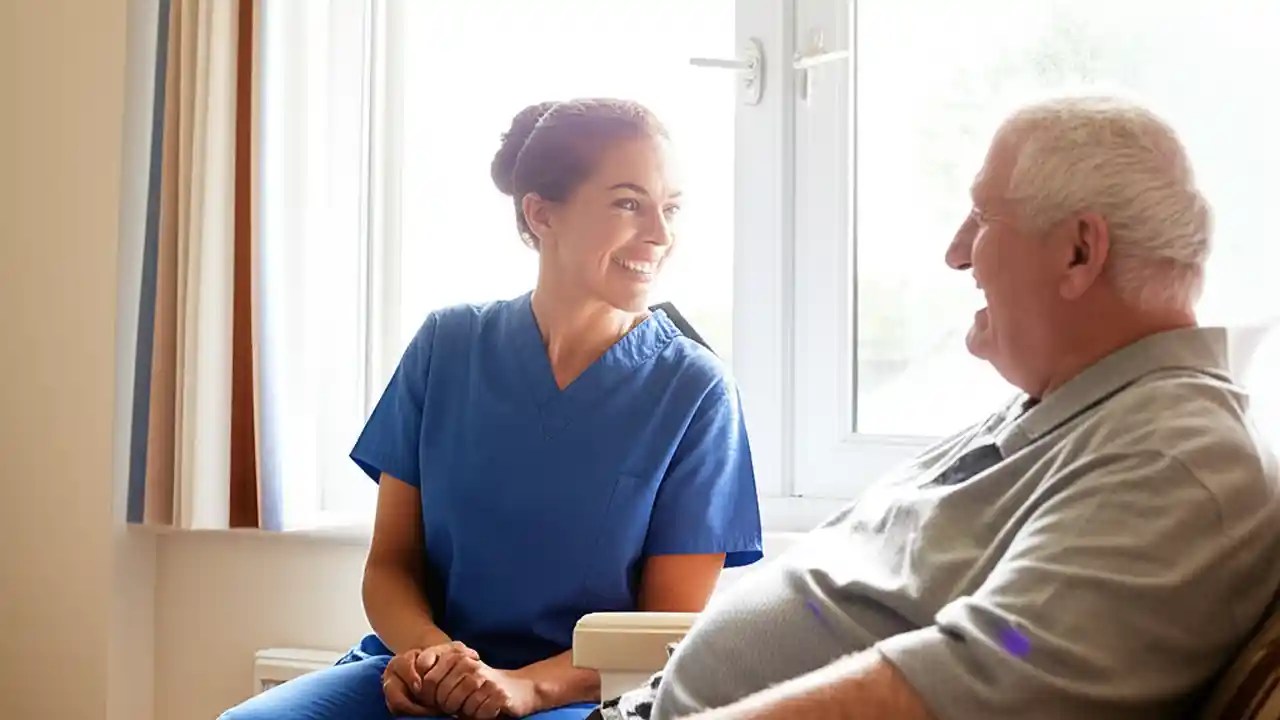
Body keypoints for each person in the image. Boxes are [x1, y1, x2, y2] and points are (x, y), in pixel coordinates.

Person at [647, 95, 1280, 720]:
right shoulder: (1081, 410)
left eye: (982, 217)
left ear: (1078, 252)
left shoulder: (1174, 459)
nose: (957, 253)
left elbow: (983, 684)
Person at [220, 98, 762, 720]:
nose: (660, 235)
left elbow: (666, 634)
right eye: (628, 203)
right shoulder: (446, 347)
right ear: (541, 212)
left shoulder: (695, 390)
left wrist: (525, 686)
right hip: (425, 672)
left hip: (578, 693)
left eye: (670, 209)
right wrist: (434, 660)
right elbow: (391, 565)